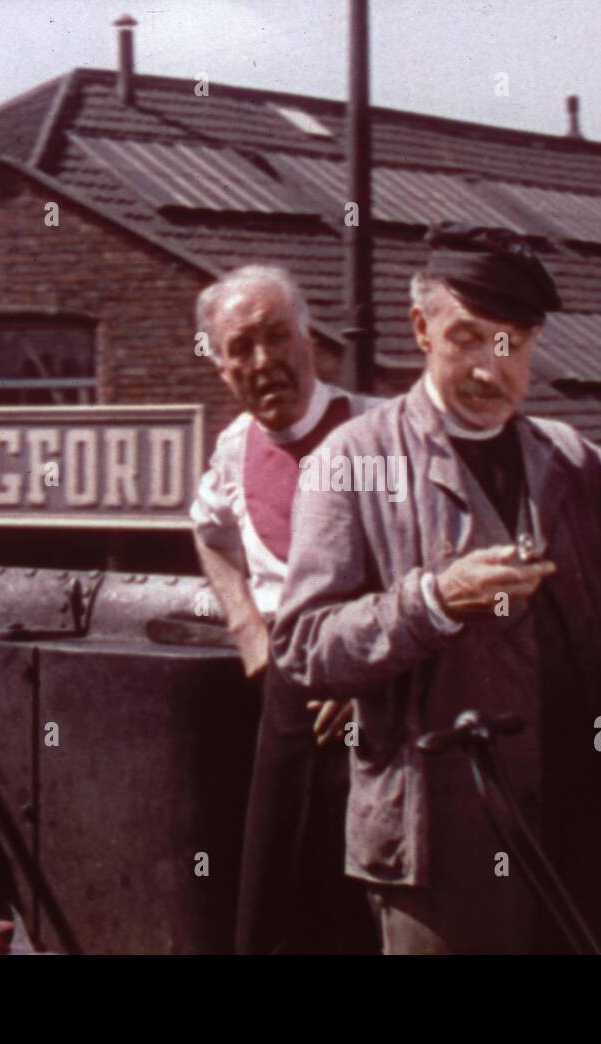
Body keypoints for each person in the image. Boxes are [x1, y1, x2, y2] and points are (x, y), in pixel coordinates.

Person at [270, 224, 601, 954]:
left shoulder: (569, 459)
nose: (493, 369)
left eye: (513, 343)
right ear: (422, 328)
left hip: (572, 827)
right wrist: (431, 602)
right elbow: (304, 648)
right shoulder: (350, 460)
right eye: (469, 337)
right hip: (439, 847)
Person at [188, 265, 379, 954]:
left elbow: (438, 571)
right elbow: (207, 530)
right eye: (241, 348)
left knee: (375, 907)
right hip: (290, 694)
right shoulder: (234, 445)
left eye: (276, 337)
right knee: (275, 901)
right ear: (220, 365)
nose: (263, 361)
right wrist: (248, 631)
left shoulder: (378, 430)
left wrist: (378, 680)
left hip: (383, 698)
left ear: (307, 336)